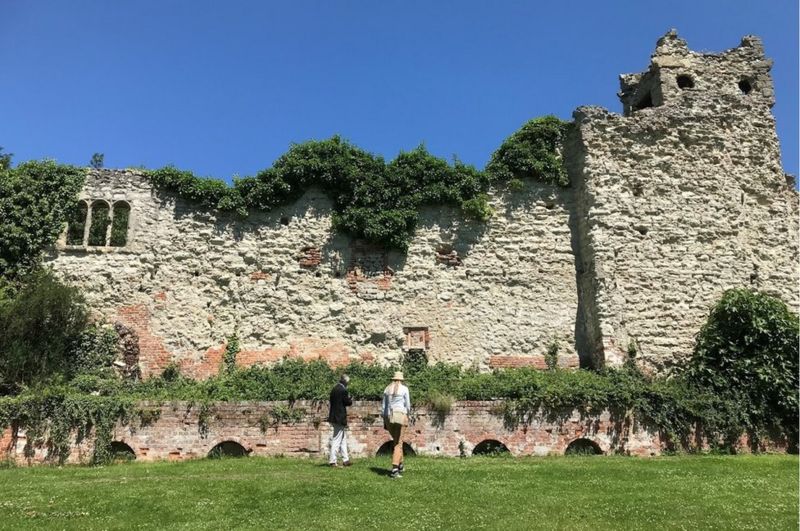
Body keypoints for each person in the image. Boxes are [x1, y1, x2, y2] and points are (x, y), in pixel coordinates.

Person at [382, 371, 411, 478]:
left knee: (397, 441)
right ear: (401, 379)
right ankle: (394, 469)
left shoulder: (387, 389)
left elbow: (383, 406)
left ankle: (400, 464)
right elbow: (407, 405)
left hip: (388, 417)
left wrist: (385, 418)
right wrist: (407, 415)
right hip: (400, 415)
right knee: (398, 443)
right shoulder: (404, 389)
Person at [328, 374, 352, 467]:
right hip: (339, 417)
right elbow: (347, 402)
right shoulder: (343, 390)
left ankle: (346, 459)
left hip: (334, 416)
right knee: (337, 439)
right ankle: (332, 460)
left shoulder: (334, 389)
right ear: (345, 382)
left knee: (342, 439)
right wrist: (350, 399)